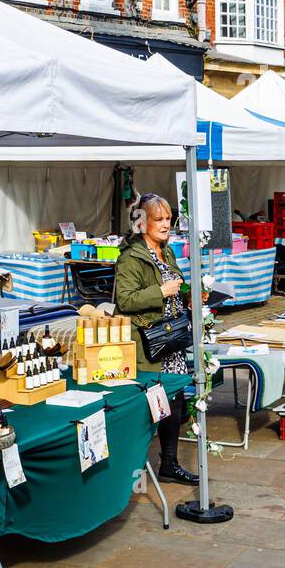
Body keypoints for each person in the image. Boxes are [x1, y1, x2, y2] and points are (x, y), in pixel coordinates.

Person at [112, 193, 199, 486]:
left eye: (168, 219)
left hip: (171, 339)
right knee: (156, 404)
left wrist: (187, 294)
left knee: (174, 402)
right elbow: (124, 299)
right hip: (149, 343)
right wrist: (161, 293)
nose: (165, 225)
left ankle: (169, 464)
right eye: (158, 219)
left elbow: (173, 286)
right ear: (142, 222)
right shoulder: (131, 258)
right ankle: (138, 466)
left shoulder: (167, 251)